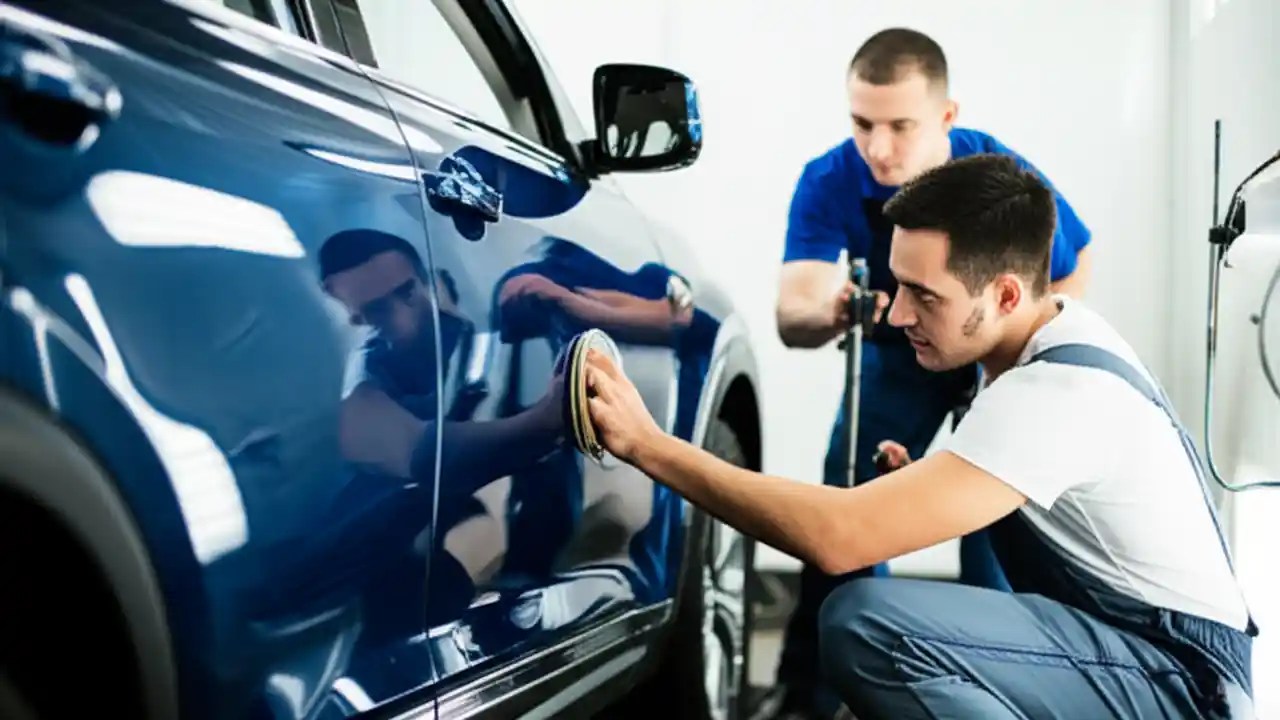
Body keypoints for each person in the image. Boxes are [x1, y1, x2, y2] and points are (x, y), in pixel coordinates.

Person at [582, 154, 1256, 719]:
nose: (898, 313)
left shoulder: (1059, 393)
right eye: (898, 285)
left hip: (1184, 684)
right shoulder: (1047, 341)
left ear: (1006, 296)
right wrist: (930, 474)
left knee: (868, 623)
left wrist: (648, 445)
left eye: (924, 295)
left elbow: (837, 540)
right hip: (1146, 655)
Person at [770, 27, 1093, 718]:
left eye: (900, 127)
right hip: (898, 357)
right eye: (862, 124)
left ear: (947, 118)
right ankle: (821, 691)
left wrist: (1015, 362)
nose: (878, 148)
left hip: (989, 358)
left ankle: (994, 692)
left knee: (997, 528)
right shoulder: (830, 177)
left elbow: (1074, 262)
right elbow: (791, 312)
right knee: (848, 494)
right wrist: (835, 308)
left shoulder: (997, 175)